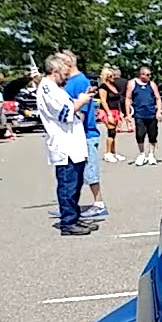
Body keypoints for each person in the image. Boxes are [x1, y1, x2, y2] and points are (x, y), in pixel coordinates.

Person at [37, 54, 97, 236]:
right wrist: (82, 101)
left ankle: (75, 217)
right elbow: (64, 113)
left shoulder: (57, 89)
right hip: (64, 145)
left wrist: (81, 97)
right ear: (55, 71)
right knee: (67, 185)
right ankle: (68, 222)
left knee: (76, 183)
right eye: (64, 72)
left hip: (73, 143)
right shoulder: (47, 89)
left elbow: (70, 105)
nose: (66, 76)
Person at [60, 51, 108, 220]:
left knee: (90, 171)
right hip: (76, 134)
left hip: (86, 134)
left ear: (69, 63)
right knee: (76, 172)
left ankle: (99, 203)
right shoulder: (69, 82)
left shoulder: (80, 81)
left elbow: (82, 109)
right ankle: (72, 206)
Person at [125, 65, 162, 165]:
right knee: (140, 134)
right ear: (142, 74)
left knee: (153, 135)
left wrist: (158, 111)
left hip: (151, 113)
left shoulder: (152, 84)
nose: (149, 77)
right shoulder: (132, 83)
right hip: (139, 114)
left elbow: (158, 98)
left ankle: (151, 154)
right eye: (148, 75)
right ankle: (142, 154)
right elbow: (128, 98)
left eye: (150, 75)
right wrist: (128, 114)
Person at [97, 67, 124, 162]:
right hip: (107, 111)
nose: (113, 77)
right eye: (111, 76)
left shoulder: (114, 86)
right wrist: (109, 114)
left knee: (114, 132)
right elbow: (103, 101)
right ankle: (108, 153)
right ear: (106, 77)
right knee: (111, 131)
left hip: (116, 110)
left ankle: (113, 152)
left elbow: (118, 100)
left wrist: (120, 112)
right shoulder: (103, 87)